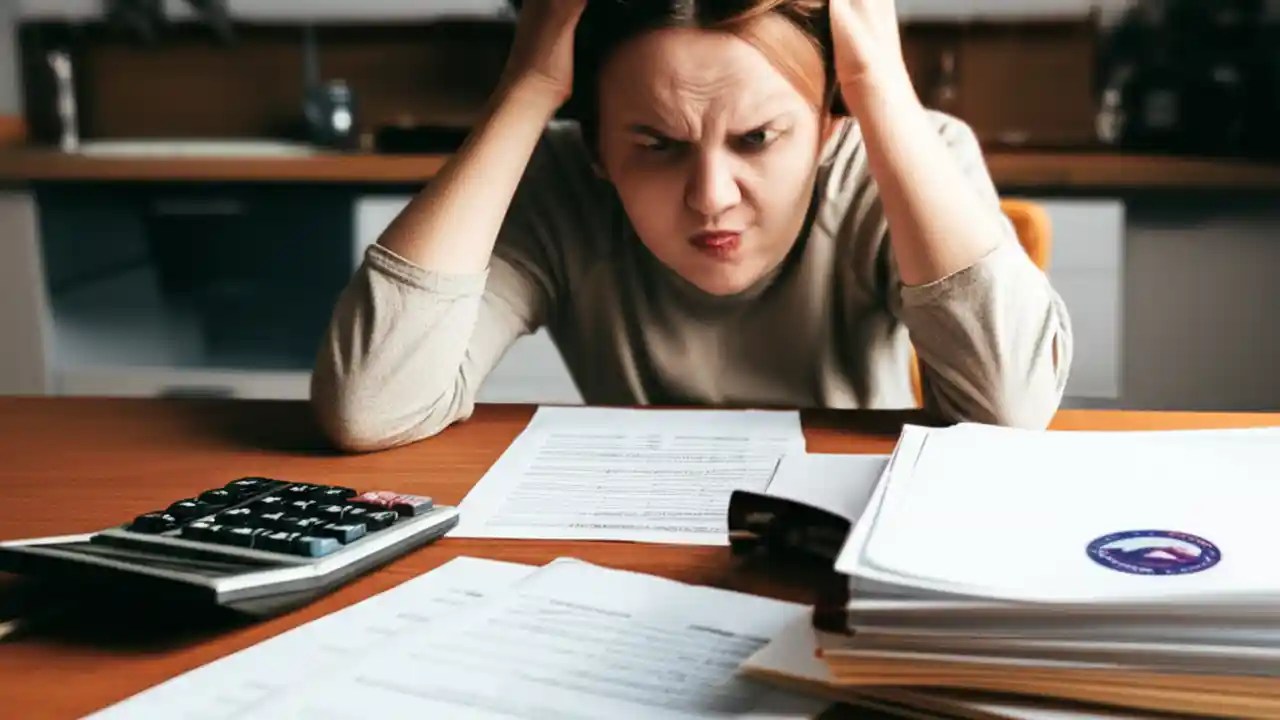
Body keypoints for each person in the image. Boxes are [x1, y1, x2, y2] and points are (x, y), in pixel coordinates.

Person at [312, 0, 1073, 452]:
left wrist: (878, 84)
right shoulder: (559, 181)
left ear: (829, 127)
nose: (711, 198)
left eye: (758, 139)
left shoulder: (904, 157)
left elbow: (1008, 413)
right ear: (598, 147)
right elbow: (373, 407)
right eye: (657, 146)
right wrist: (529, 86)